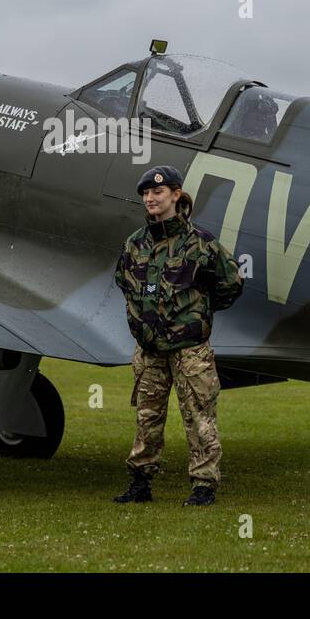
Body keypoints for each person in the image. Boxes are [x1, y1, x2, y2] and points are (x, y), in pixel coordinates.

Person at [111, 164, 244, 506]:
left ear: (175, 195)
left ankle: (204, 487)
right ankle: (140, 484)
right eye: (146, 194)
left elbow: (230, 284)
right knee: (147, 418)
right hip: (150, 350)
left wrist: (196, 314)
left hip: (190, 352)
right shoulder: (135, 244)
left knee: (199, 419)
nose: (151, 198)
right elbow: (124, 282)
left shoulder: (201, 244)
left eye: (158, 192)